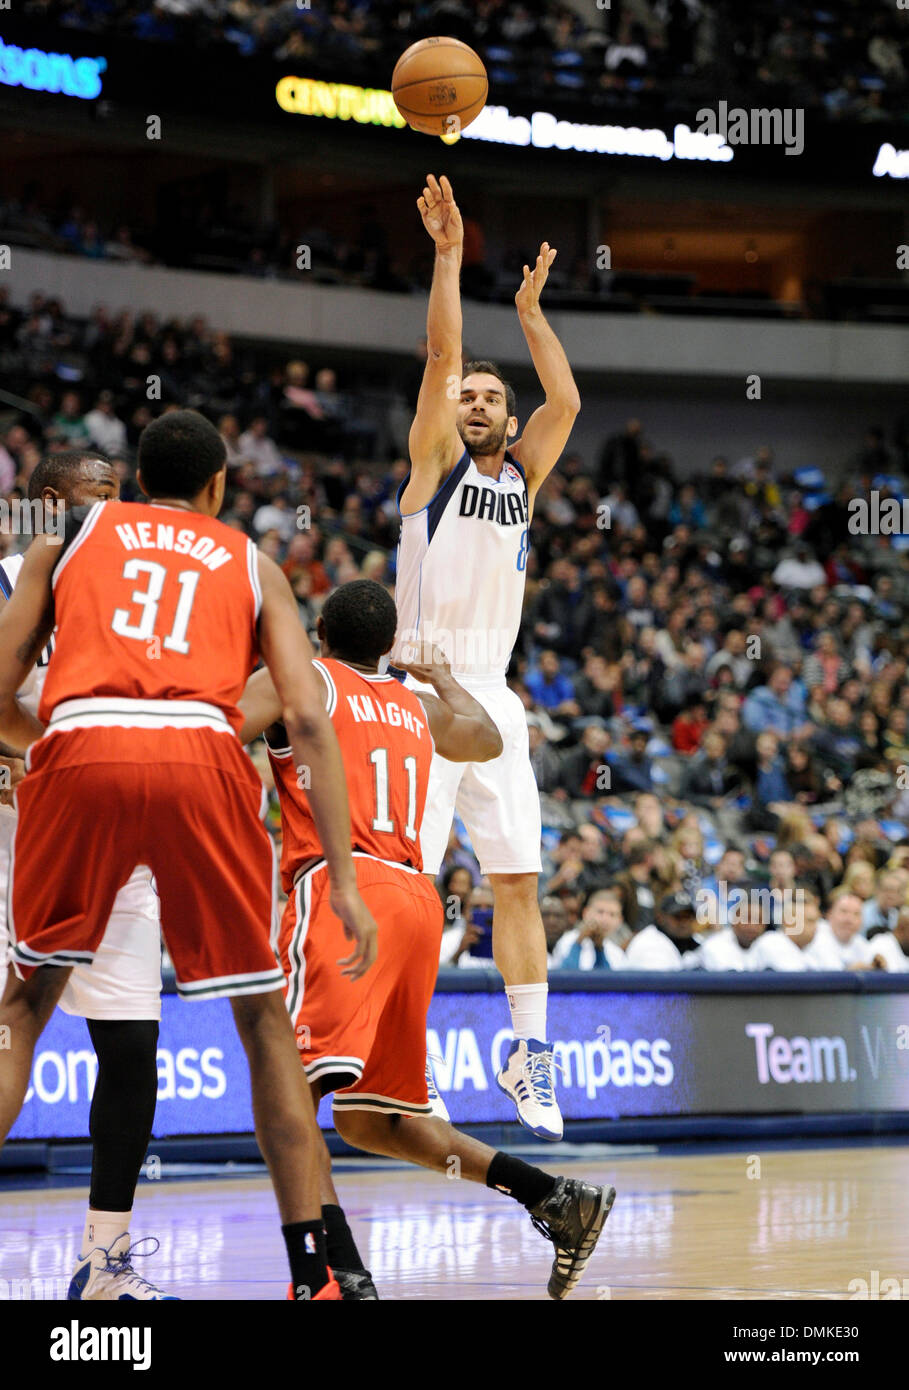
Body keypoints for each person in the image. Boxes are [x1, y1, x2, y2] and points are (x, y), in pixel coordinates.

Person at [0, 410, 378, 1303]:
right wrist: (346, 878)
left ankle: (107, 1264)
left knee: (23, 1009)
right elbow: (310, 717)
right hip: (198, 756)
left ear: (132, 482)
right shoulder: (249, 558)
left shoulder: (65, 546)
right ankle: (312, 1274)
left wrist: (51, 742)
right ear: (218, 486)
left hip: (78, 755)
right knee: (262, 1026)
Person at [239, 582, 614, 1300]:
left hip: (343, 889)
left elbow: (220, 729)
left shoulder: (303, 678)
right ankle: (553, 1198)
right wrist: (445, 679)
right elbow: (488, 738)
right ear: (387, 648)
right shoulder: (415, 706)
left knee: (290, 1093)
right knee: (371, 1119)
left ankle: (334, 1275)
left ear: (319, 631)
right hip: (415, 901)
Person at [391, 175, 581, 1140]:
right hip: (419, 688)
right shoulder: (432, 468)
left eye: (490, 396)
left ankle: (529, 1057)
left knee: (516, 882)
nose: (474, 397)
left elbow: (569, 396)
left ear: (509, 421)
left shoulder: (527, 475)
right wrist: (451, 254)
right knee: (413, 890)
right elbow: (438, 350)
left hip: (495, 698)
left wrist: (531, 311)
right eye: (466, 393)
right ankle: (404, 1058)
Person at [0, 449, 169, 1300]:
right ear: (46, 503)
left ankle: (105, 1268)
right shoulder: (9, 577)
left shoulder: (129, 587)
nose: (113, 507)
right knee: (10, 1032)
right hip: (18, 838)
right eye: (95, 494)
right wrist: (58, 755)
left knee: (134, 1047)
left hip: (119, 839)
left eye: (120, 493)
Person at [624, 892, 703, 970]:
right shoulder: (649, 944)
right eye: (678, 917)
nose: (685, 923)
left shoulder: (696, 940)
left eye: (689, 917)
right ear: (660, 918)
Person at [551, 889, 627, 970]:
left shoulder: (617, 953)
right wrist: (578, 942)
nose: (605, 919)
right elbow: (564, 978)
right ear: (585, 913)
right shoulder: (566, 941)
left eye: (612, 914)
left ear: (620, 920)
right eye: (600, 912)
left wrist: (599, 949)